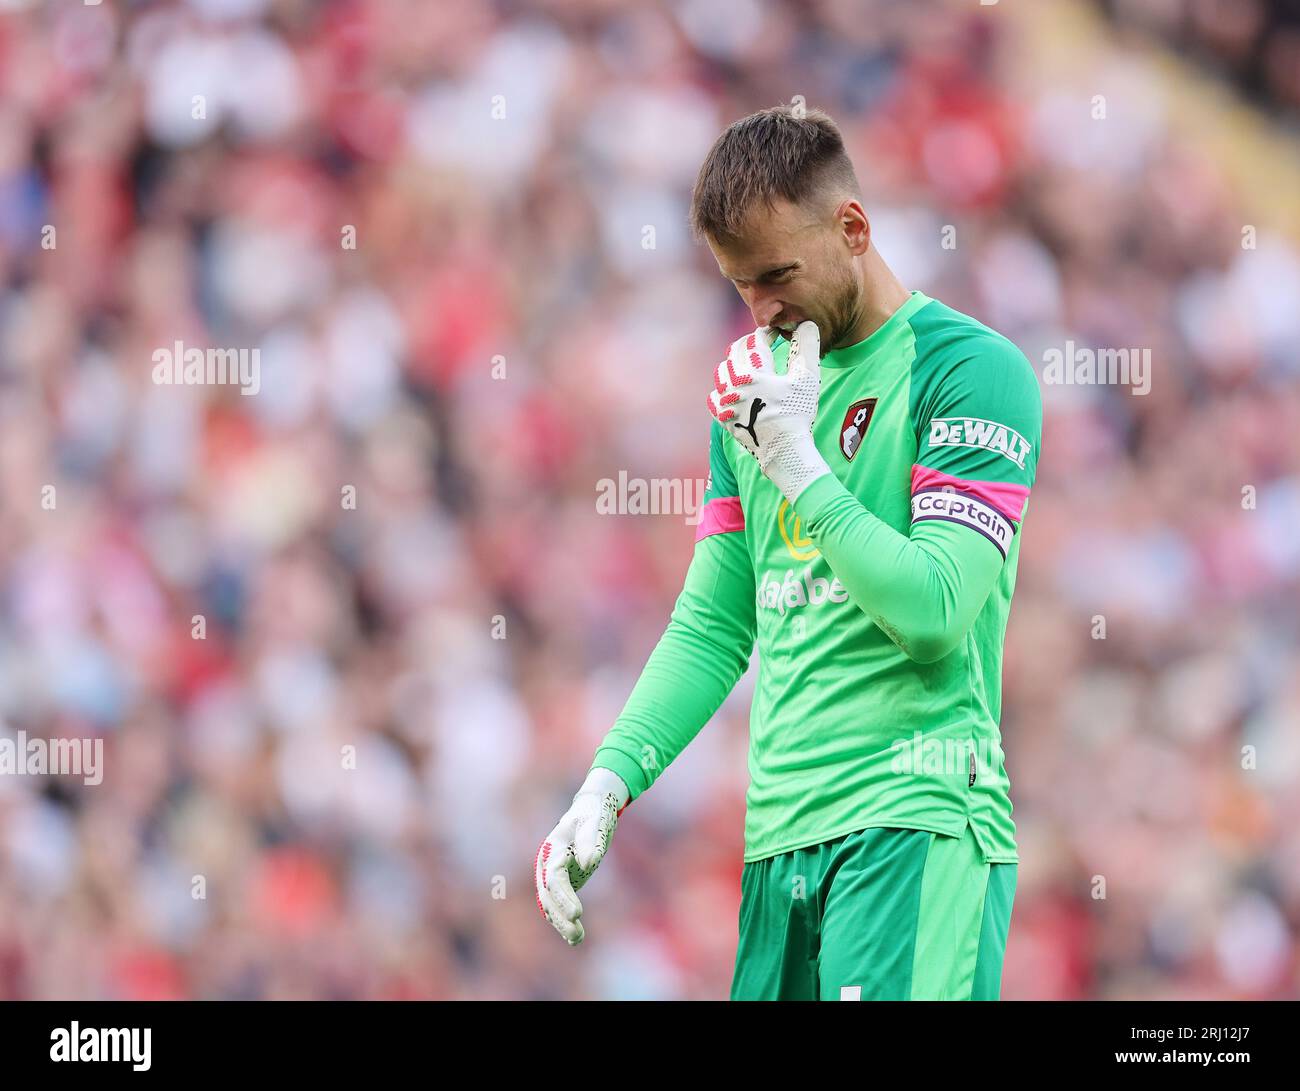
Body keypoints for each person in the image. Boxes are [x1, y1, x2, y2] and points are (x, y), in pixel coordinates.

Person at [535, 105, 1042, 1001]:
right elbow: (713, 625)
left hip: (913, 823)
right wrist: (607, 781)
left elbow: (933, 612)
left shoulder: (968, 368)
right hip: (779, 845)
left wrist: (799, 464)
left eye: (777, 274)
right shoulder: (751, 399)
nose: (764, 310)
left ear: (852, 228)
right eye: (740, 286)